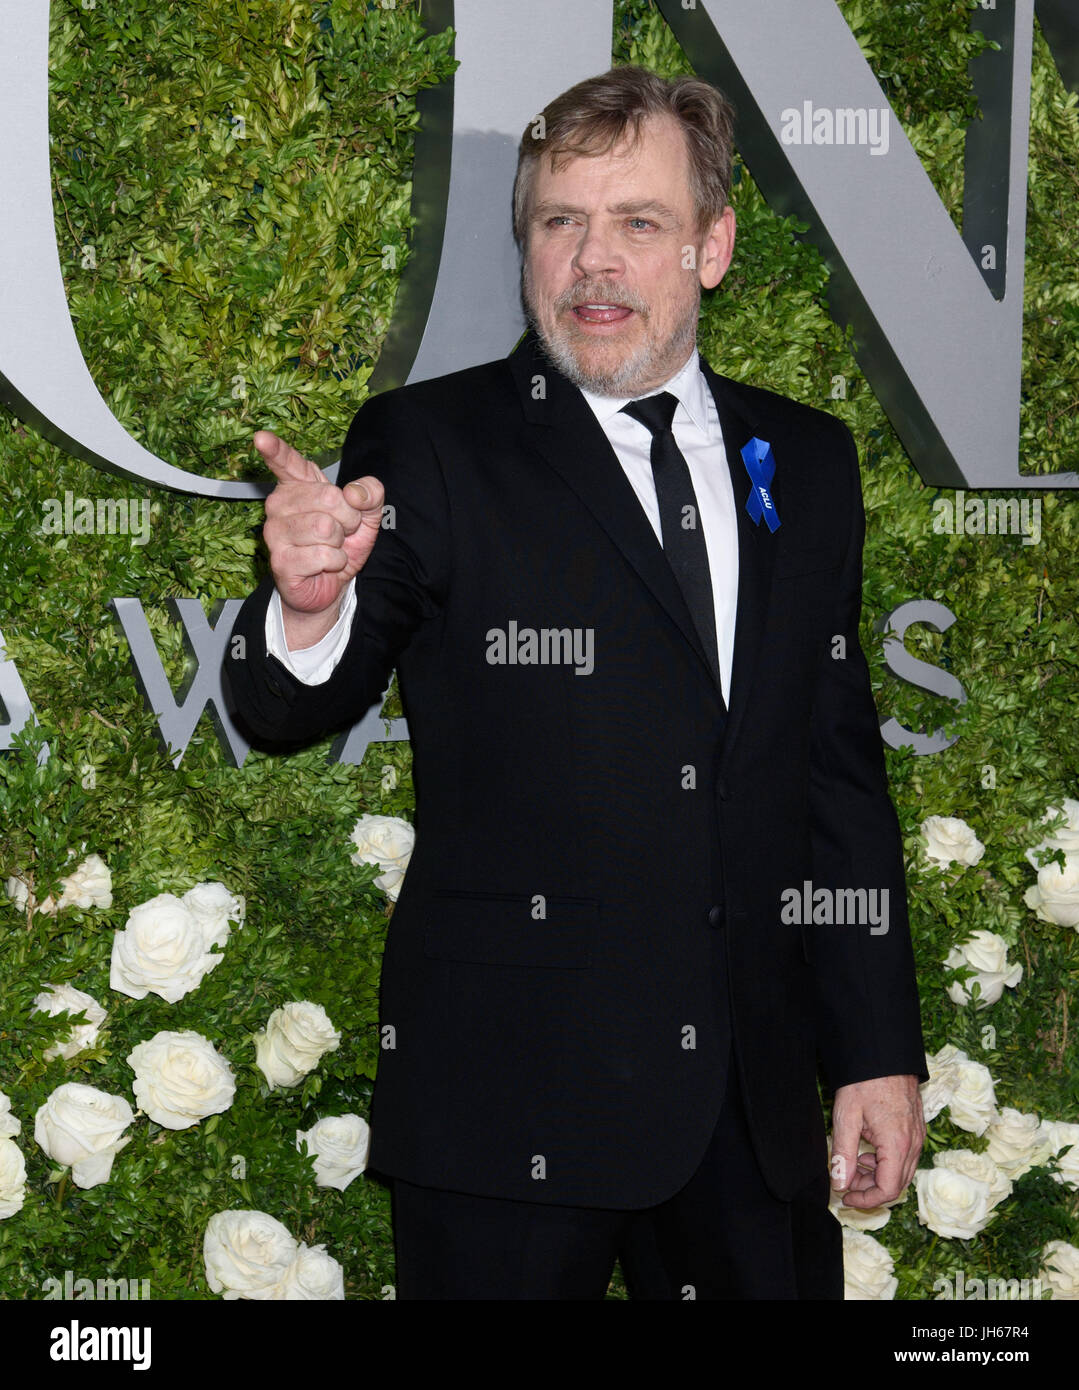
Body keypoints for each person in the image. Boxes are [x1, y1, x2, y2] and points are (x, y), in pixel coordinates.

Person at [224, 65, 927, 1300]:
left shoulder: (806, 461)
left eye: (637, 224)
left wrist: (874, 1049)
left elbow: (833, 775)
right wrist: (304, 603)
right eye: (560, 222)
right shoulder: (431, 442)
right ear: (526, 245)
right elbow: (286, 709)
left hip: (747, 1119)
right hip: (507, 1109)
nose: (592, 263)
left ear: (709, 247)